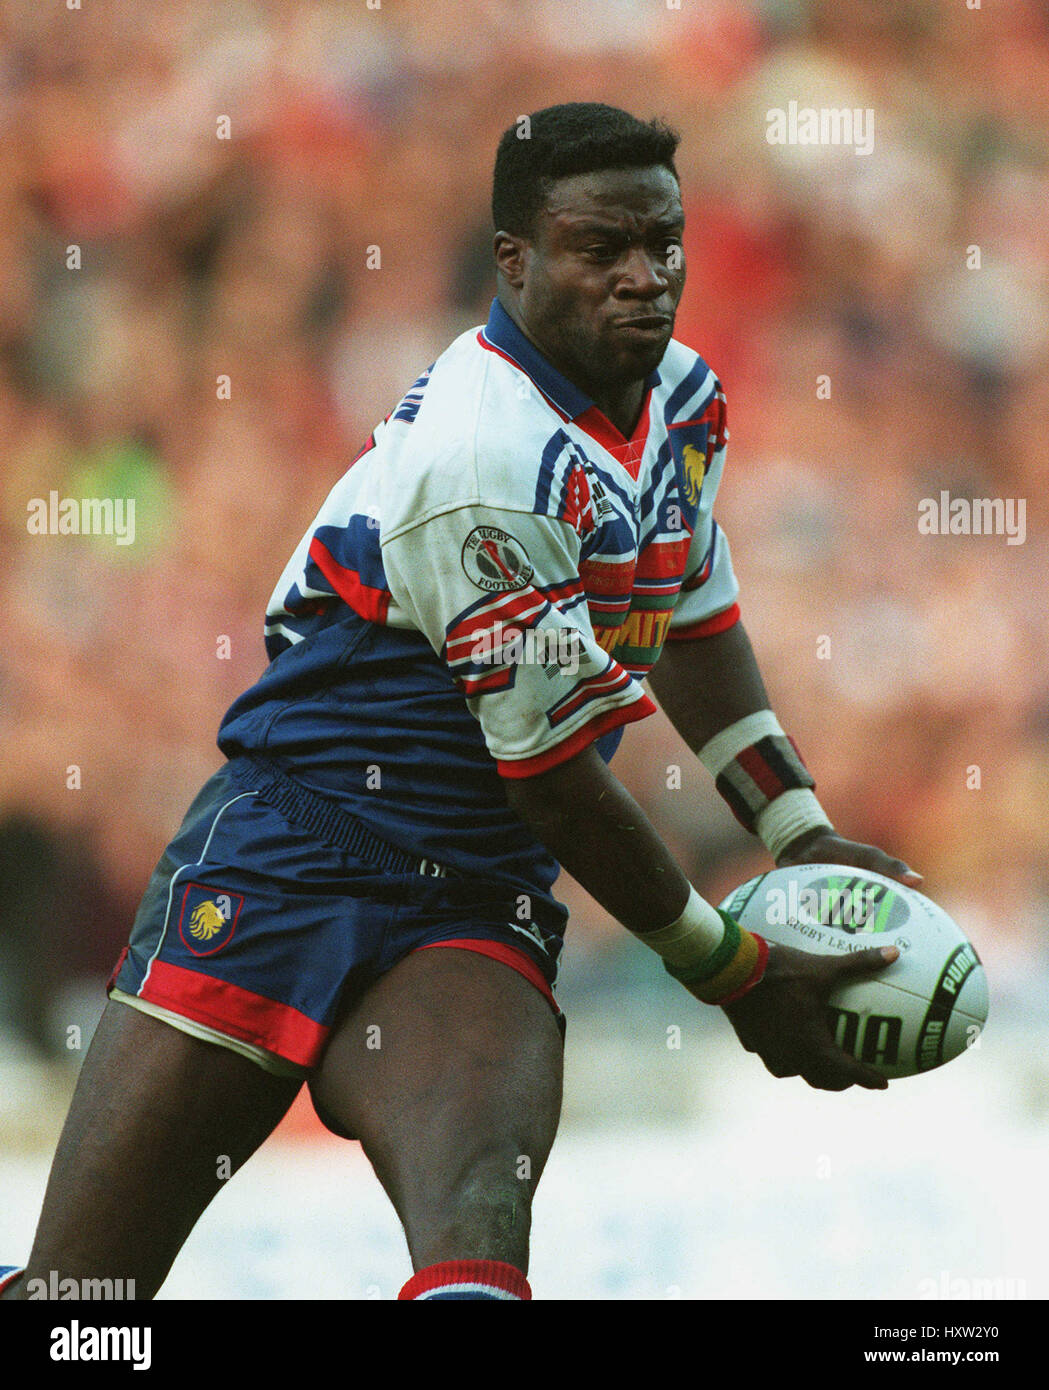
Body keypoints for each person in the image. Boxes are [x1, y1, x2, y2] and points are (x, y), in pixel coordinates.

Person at [1, 102, 918, 1304]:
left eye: (665, 244)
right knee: (83, 1313)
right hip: (292, 854)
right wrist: (731, 965)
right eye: (601, 248)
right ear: (514, 260)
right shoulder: (483, 456)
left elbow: (687, 612)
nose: (644, 278)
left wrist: (793, 825)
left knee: (475, 1256)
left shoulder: (683, 399)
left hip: (475, 897)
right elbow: (550, 776)